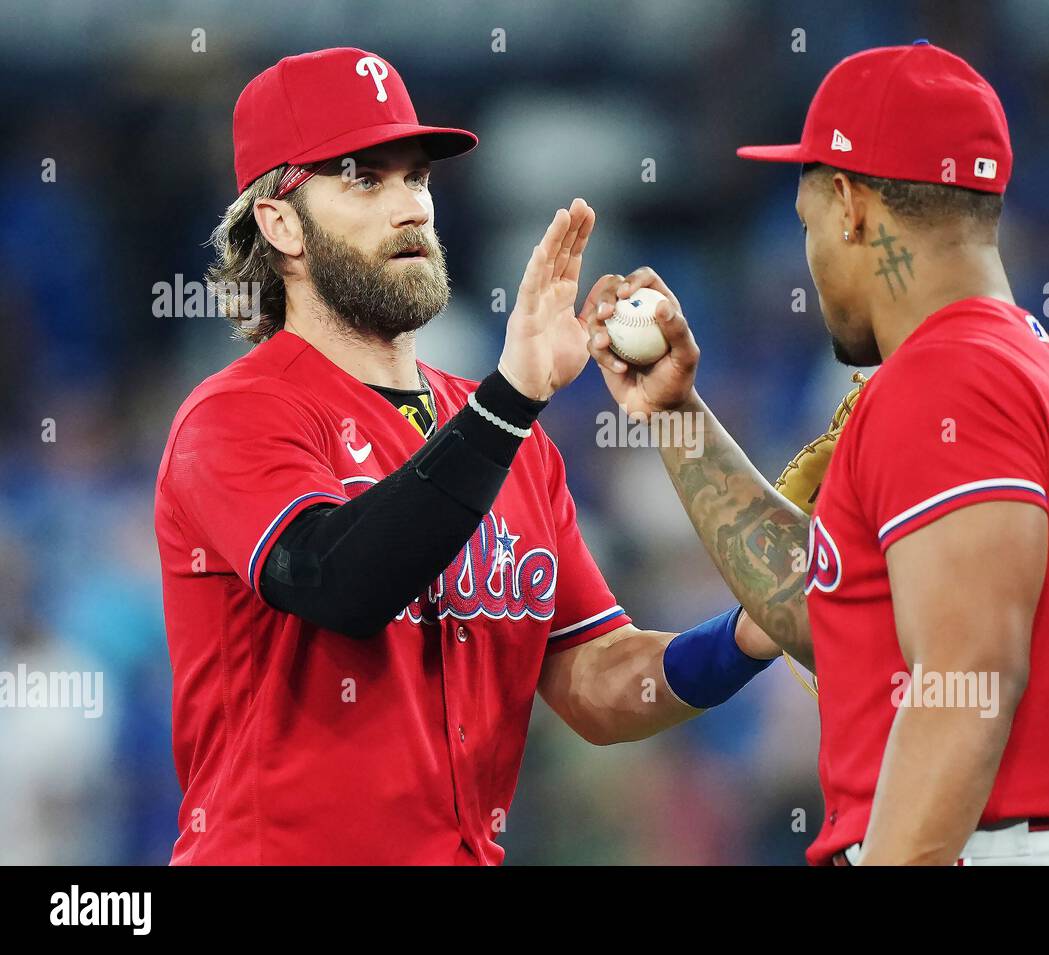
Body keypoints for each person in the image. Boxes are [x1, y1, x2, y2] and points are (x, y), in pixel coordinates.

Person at [154, 47, 781, 865]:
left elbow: (595, 682)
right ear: (279, 221)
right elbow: (340, 582)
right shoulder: (236, 417)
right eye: (364, 179)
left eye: (416, 177)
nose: (410, 206)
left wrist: (752, 632)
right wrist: (512, 398)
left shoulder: (507, 439)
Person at [584, 41, 1049, 865]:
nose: (811, 259)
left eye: (808, 223)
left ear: (851, 205)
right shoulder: (1034, 369)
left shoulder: (949, 380)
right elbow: (834, 614)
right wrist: (675, 418)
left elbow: (964, 690)